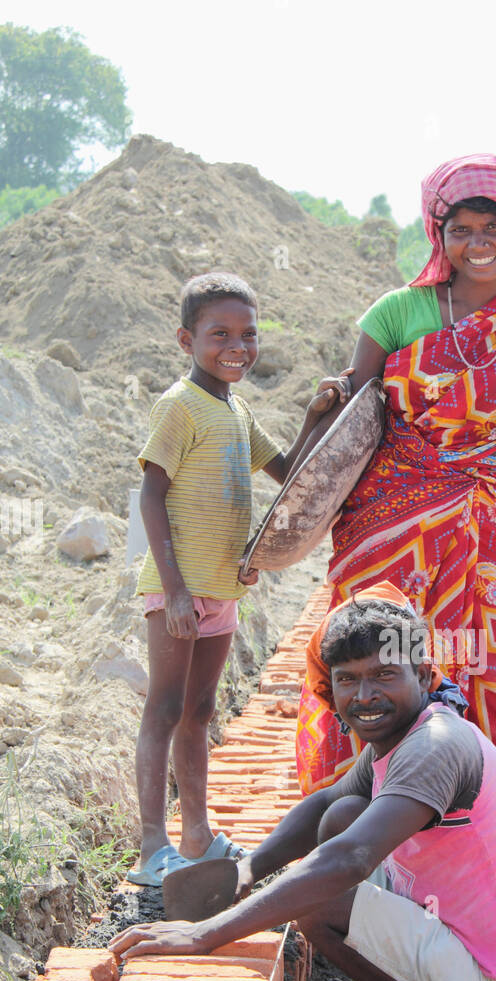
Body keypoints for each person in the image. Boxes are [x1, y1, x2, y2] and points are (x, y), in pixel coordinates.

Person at [111, 591, 496, 981]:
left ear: (422, 676)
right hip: (492, 965)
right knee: (344, 813)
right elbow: (323, 806)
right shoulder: (405, 734)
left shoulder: (435, 746)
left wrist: (207, 934)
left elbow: (350, 859)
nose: (365, 695)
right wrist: (248, 870)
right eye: (348, 680)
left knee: (320, 904)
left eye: (383, 675)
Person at [296, 153, 496, 803]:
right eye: (461, 230)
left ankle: (468, 831)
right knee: (372, 674)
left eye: (494, 227)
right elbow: (346, 431)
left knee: (481, 678)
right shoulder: (396, 314)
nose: (477, 244)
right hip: (383, 535)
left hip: (488, 544)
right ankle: (361, 833)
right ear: (438, 234)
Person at [130, 271, 347, 887]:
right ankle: (151, 848)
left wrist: (316, 414)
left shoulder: (236, 407)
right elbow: (151, 497)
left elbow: (290, 471)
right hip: (178, 588)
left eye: (248, 334)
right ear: (185, 339)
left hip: (222, 588)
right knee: (164, 708)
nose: (237, 347)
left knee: (199, 710)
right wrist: (173, 592)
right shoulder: (179, 405)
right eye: (219, 334)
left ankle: (196, 835)